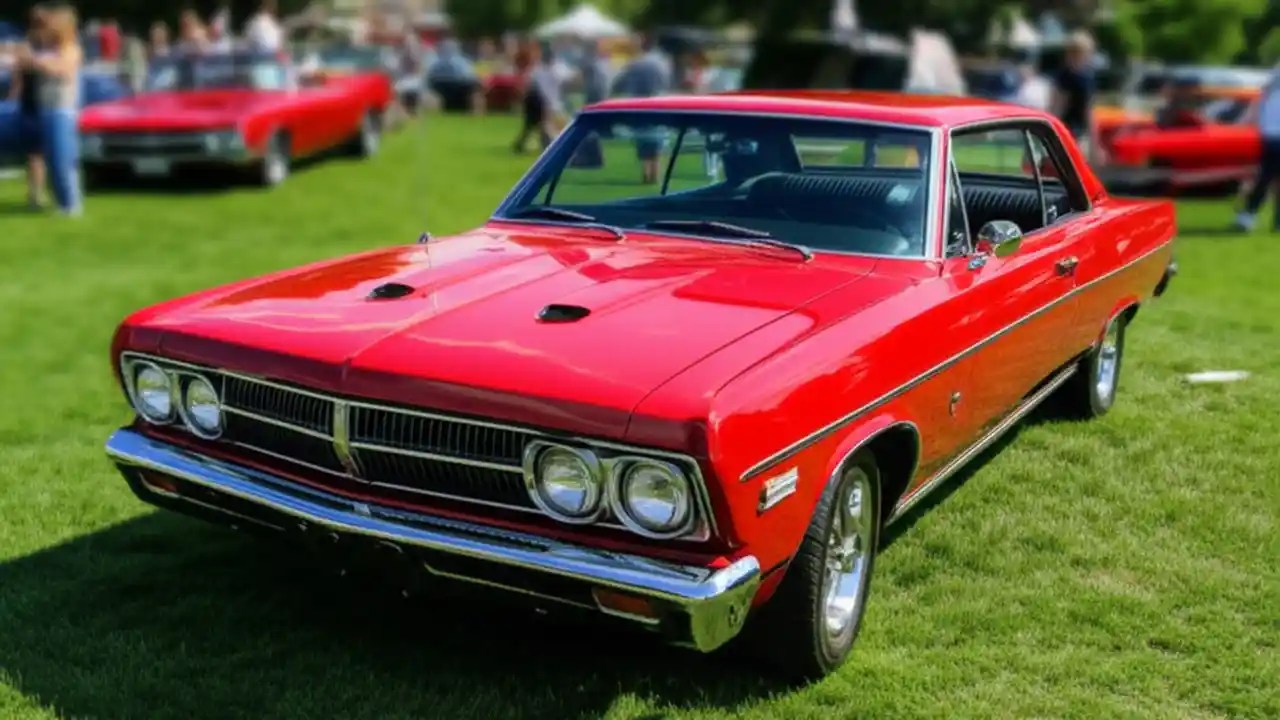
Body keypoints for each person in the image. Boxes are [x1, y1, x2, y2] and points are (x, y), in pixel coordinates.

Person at [18, 3, 83, 216]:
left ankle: (71, 204)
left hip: (62, 111)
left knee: (64, 159)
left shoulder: (72, 49)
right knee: (53, 162)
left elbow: (62, 69)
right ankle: (60, 203)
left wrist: (39, 62)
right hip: (47, 111)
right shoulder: (48, 50)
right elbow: (25, 62)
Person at [612, 34, 672, 184]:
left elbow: (620, 83)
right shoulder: (663, 62)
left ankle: (646, 173)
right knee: (658, 141)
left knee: (644, 141)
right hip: (659, 104)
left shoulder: (635, 63)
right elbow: (667, 83)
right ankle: (656, 175)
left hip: (639, 105)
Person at [8, 4, 48, 209]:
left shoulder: (37, 45)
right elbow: (18, 73)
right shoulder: (33, 45)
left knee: (37, 154)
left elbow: (18, 73)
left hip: (39, 103)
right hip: (34, 104)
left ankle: (36, 194)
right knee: (36, 154)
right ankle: (35, 195)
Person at [1233, 68, 1280, 232]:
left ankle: (1249, 216)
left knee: (1266, 178)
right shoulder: (1273, 83)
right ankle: (1248, 216)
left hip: (1270, 134)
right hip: (1272, 135)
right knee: (1266, 178)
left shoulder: (1272, 83)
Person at [512, 42, 564, 154]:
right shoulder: (555, 70)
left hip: (537, 100)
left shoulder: (537, 70)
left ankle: (521, 145)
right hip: (543, 102)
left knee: (532, 125)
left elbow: (528, 86)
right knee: (544, 124)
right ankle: (547, 146)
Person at [1051, 31, 1096, 157]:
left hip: (1075, 133)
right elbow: (1058, 107)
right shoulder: (1069, 77)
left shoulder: (1083, 77)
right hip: (1070, 134)